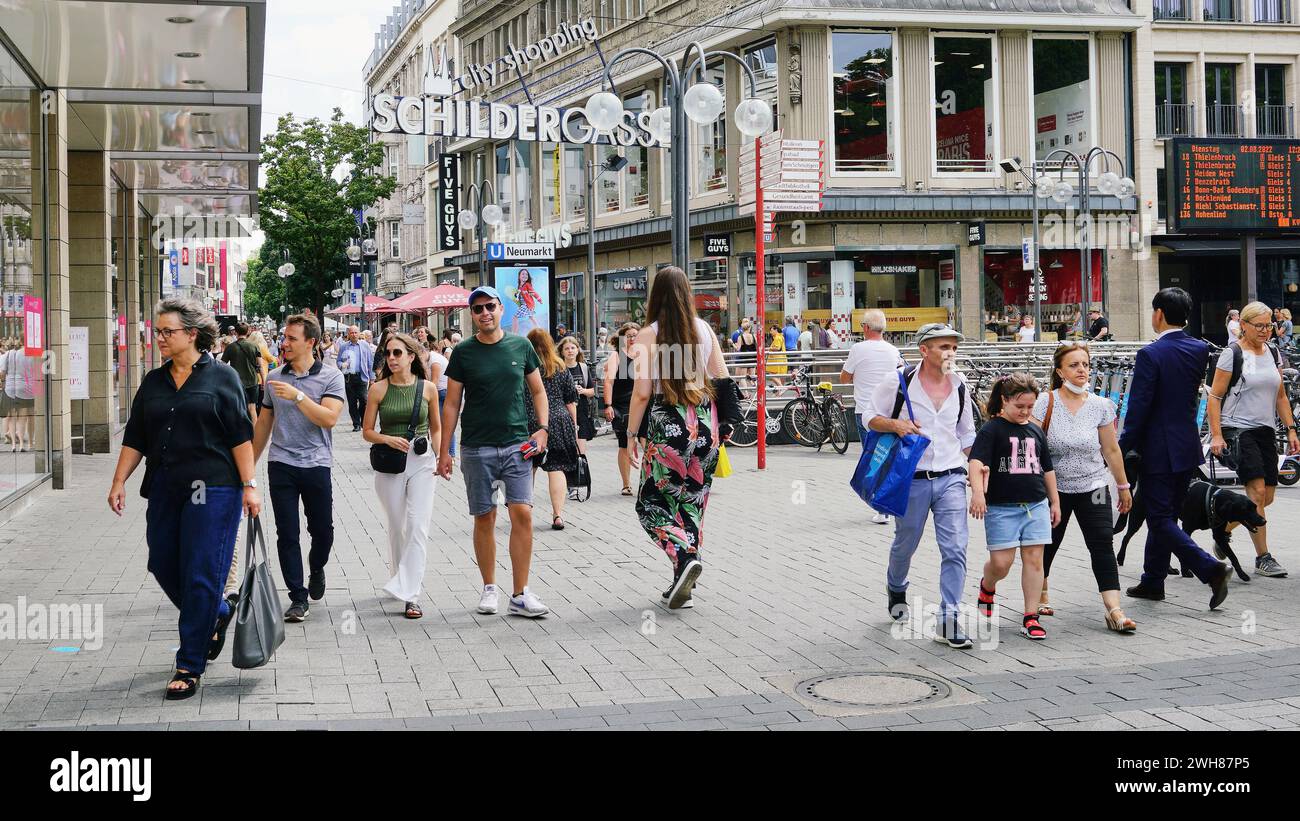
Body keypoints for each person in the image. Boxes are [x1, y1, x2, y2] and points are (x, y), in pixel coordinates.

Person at [107, 297, 258, 700]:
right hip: (165, 487)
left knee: (202, 572)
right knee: (161, 562)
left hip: (215, 489)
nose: (159, 338)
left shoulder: (222, 377)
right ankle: (218, 611)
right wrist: (119, 480)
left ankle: (189, 663)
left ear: (192, 334)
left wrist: (250, 485)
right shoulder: (154, 382)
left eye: (166, 331)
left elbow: (240, 435)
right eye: (156, 332)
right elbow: (136, 436)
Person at [438, 286, 551, 618]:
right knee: (485, 516)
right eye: (477, 309)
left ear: (501, 309)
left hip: (517, 444)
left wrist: (542, 428)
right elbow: (452, 404)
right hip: (477, 447)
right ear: (471, 316)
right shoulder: (463, 353)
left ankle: (520, 593)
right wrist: (445, 451)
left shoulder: (521, 345)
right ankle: (490, 588)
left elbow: (538, 390)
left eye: (490, 306)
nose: (484, 312)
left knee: (523, 513)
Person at [626, 265, 731, 610]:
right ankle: (681, 579)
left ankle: (685, 559)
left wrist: (630, 434)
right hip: (704, 421)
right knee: (691, 503)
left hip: (667, 421)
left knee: (651, 504)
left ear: (656, 295)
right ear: (687, 293)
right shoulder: (705, 330)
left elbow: (642, 393)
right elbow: (723, 378)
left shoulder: (647, 335)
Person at [1121, 287, 1233, 608]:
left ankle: (1211, 570)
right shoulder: (1199, 349)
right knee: (1166, 515)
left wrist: (1120, 447)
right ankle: (1153, 581)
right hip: (1186, 447)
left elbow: (1138, 408)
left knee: (1159, 520)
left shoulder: (1150, 354)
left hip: (1157, 450)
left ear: (1158, 313)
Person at [867, 323, 977, 648]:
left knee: (955, 548)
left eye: (954, 348)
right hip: (911, 478)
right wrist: (896, 424)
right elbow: (869, 416)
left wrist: (978, 462)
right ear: (924, 350)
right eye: (944, 347)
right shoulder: (899, 381)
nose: (950, 353)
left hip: (951, 477)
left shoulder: (960, 384)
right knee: (905, 543)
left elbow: (966, 432)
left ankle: (949, 619)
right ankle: (896, 585)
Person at [1031, 342, 1137, 631]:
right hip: (1055, 489)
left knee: (1102, 543)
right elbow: (1032, 446)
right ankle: (1040, 592)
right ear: (1060, 371)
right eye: (1074, 365)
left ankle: (1114, 609)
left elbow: (1112, 450)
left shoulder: (1100, 406)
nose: (1081, 370)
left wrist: (1123, 485)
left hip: (1094, 485)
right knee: (1048, 544)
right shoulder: (1045, 402)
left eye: (1085, 365)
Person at [251, 313, 346, 622]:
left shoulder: (331, 376)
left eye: (292, 338)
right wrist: (247, 469)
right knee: (287, 533)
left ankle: (316, 566)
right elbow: (264, 423)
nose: (284, 343)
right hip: (281, 464)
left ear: (311, 342)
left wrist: (299, 396)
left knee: (323, 532)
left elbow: (329, 418)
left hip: (317, 463)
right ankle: (297, 597)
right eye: (284, 337)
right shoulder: (275, 377)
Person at [1207, 301, 1299, 578]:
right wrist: (1217, 435)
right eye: (1258, 325)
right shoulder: (1231, 354)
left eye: (1269, 325)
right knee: (1256, 492)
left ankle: (1222, 529)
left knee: (1266, 497)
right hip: (1238, 429)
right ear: (1243, 325)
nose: (1265, 330)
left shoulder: (1272, 352)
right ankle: (1263, 558)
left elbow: (1281, 396)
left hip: (1265, 430)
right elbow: (1215, 397)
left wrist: (1291, 429)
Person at [969, 374, 1060, 641]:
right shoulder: (992, 429)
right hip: (1001, 507)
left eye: (1030, 407)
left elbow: (1047, 468)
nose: (1025, 412)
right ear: (1005, 400)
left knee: (1034, 560)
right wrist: (978, 494)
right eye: (1020, 406)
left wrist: (1054, 501)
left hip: (1036, 505)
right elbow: (976, 462)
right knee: (1001, 563)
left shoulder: (1035, 429)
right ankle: (988, 586)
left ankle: (1030, 616)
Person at [364, 332, 441, 619]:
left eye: (398, 353)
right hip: (390, 462)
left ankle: (412, 594)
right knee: (397, 526)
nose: (392, 358)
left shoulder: (429, 388)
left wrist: (442, 453)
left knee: (418, 525)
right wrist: (386, 439)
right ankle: (399, 576)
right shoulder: (378, 389)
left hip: (421, 461)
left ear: (411, 356)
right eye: (388, 353)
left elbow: (436, 426)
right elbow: (367, 431)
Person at [840, 309, 904, 525]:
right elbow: (902, 374)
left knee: (872, 458)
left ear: (866, 328)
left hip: (865, 413)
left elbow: (844, 377)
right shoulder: (893, 350)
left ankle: (880, 505)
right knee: (886, 457)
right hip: (889, 414)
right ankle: (887, 504)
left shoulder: (857, 349)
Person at [524, 329, 580, 529]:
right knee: (556, 468)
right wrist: (574, 426)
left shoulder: (525, 366)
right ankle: (557, 515)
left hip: (531, 420)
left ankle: (525, 513)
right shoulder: (560, 366)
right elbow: (570, 400)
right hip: (558, 419)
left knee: (528, 467)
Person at [603, 322, 642, 496]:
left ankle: (649, 480)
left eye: (636, 335)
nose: (633, 338)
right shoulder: (616, 355)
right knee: (624, 444)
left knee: (647, 442)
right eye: (629, 335)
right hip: (622, 404)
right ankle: (626, 484)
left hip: (642, 403)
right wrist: (608, 405)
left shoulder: (644, 354)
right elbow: (609, 381)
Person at [561, 335, 596, 461]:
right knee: (567, 447)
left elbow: (592, 391)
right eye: (566, 348)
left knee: (581, 451)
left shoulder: (583, 367)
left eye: (573, 348)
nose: (570, 351)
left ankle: (580, 474)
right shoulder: (559, 368)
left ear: (577, 350)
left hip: (581, 410)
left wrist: (583, 390)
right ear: (562, 352)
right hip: (564, 411)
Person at [220, 322, 263, 421]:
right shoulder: (254, 346)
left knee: (238, 407)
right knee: (252, 408)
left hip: (236, 382)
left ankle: (240, 432)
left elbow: (222, 365)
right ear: (248, 331)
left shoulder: (230, 347)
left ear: (235, 332)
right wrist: (264, 381)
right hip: (253, 381)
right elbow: (260, 366)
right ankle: (254, 433)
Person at [337, 325, 375, 432]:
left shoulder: (364, 346)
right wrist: (342, 365)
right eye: (351, 333)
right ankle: (356, 424)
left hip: (362, 376)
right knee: (352, 401)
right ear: (348, 334)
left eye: (355, 333)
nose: (353, 335)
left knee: (364, 400)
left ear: (359, 334)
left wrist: (372, 378)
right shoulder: (344, 346)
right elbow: (338, 361)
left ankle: (363, 421)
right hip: (349, 377)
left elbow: (370, 362)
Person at [0, 341, 37, 451]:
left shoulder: (8, 354)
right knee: (27, 417)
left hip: (11, 389)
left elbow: (2, 372)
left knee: (12, 417)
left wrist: (4, 380)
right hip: (28, 388)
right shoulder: (33, 354)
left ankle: (15, 445)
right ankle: (29, 443)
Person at [510, 269, 544, 335]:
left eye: (526, 274)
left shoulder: (527, 284)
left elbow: (533, 293)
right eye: (523, 274)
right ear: (519, 276)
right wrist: (516, 295)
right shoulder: (520, 286)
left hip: (527, 305)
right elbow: (519, 294)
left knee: (515, 317)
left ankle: (514, 334)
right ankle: (540, 330)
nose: (525, 275)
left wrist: (539, 299)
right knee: (531, 317)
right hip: (524, 304)